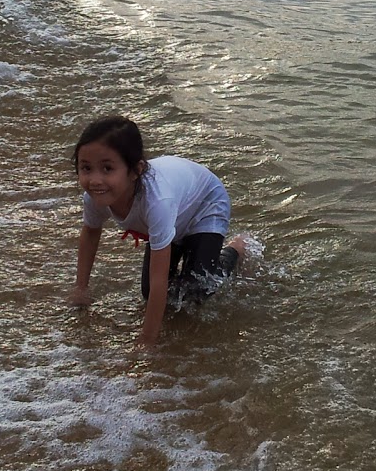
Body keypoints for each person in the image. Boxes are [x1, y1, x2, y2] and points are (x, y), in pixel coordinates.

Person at [69, 114, 246, 344]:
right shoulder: (95, 197)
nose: (95, 180)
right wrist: (81, 288)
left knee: (196, 290)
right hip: (173, 211)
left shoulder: (156, 200)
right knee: (150, 293)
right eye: (86, 168)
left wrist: (147, 340)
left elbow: (159, 278)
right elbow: (91, 233)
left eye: (107, 168)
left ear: (135, 171)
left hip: (205, 203)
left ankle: (234, 251)